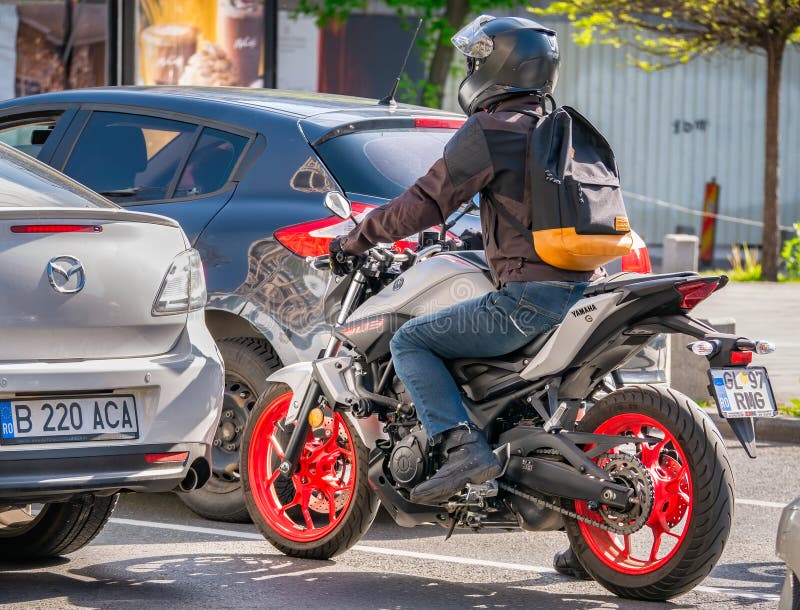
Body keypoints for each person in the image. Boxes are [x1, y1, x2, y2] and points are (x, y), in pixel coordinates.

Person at [329, 15, 596, 580]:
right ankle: (590, 533)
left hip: (528, 299)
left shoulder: (493, 130)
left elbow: (424, 202)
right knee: (561, 409)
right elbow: (531, 213)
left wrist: (356, 236)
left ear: (498, 64)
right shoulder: (561, 129)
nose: (471, 69)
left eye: (476, 59)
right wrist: (484, 240)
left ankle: (459, 447)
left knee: (412, 340)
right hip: (582, 291)